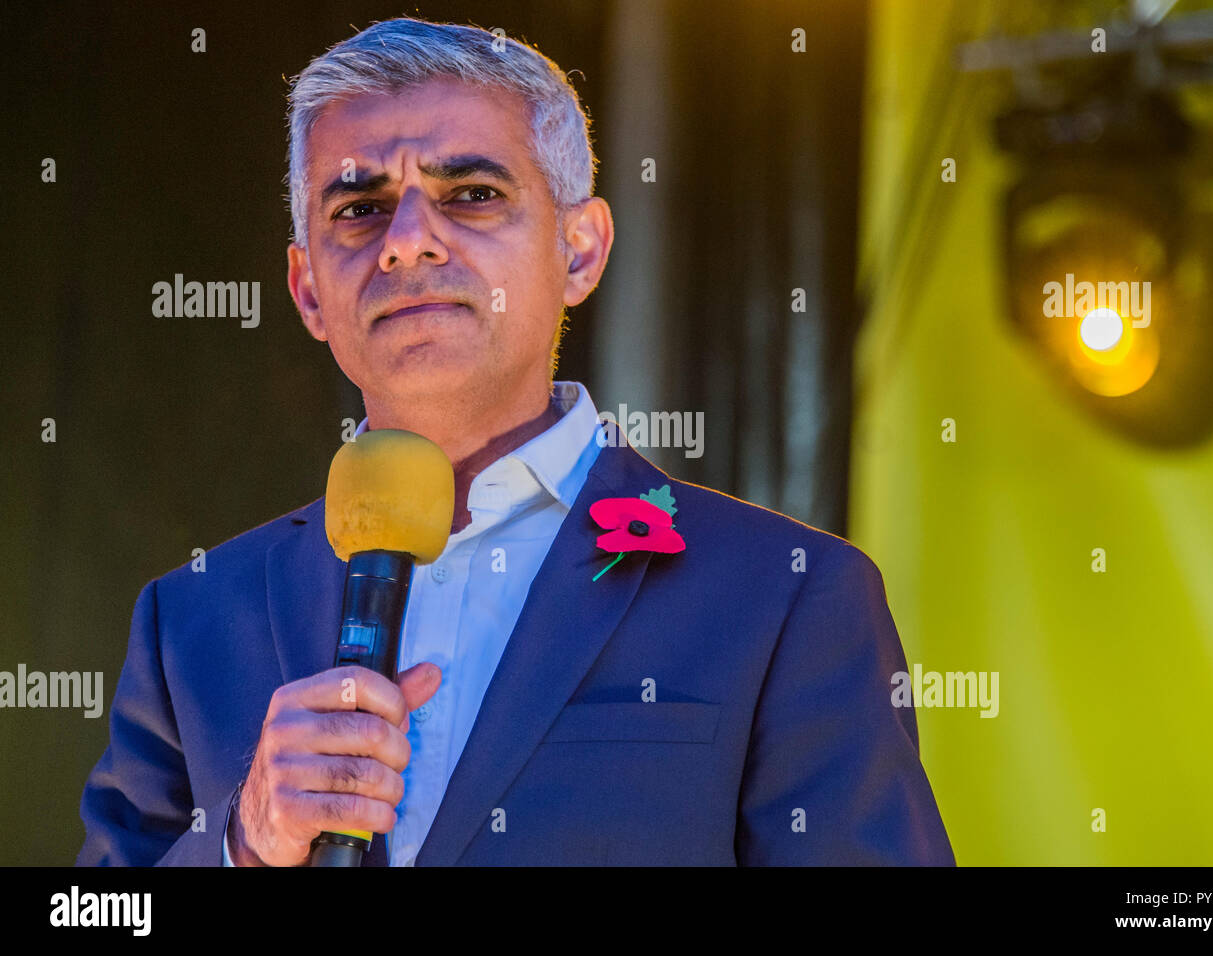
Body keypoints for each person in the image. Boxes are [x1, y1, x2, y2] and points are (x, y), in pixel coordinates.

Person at [76, 18, 955, 866]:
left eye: (472, 195)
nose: (409, 241)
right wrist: (244, 844)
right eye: (358, 207)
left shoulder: (785, 598)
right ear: (307, 289)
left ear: (579, 250)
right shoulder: (190, 619)